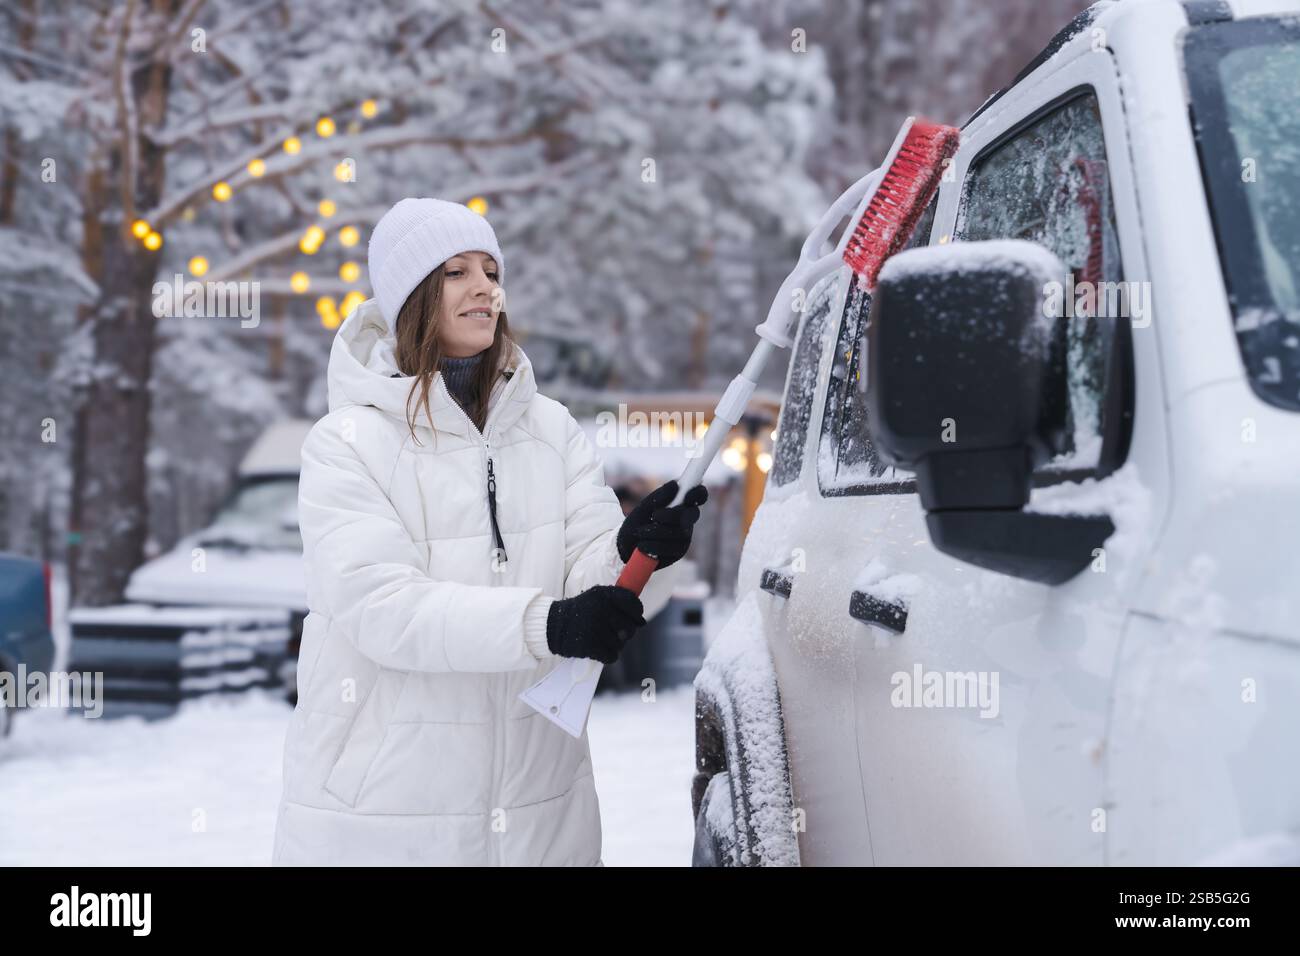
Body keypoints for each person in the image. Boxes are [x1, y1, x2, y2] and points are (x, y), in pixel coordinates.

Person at [272, 197, 708, 866]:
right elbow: (381, 608)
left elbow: (591, 594)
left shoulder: (551, 429)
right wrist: (546, 624)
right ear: (411, 295)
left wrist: (638, 551)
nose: (485, 287)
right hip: (388, 813)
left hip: (539, 806)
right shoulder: (347, 441)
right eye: (455, 271)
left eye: (491, 268)